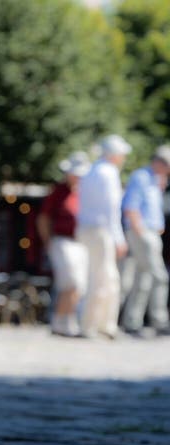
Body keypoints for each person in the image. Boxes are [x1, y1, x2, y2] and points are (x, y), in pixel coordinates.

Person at [76, 134, 130, 339]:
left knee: (99, 278)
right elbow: (112, 210)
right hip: (101, 231)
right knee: (104, 279)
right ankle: (98, 326)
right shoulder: (108, 173)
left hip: (87, 230)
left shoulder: (91, 172)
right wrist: (119, 238)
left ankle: (100, 325)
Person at [37, 152, 90, 336]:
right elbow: (43, 219)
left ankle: (66, 320)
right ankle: (61, 320)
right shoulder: (59, 192)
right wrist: (49, 242)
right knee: (70, 282)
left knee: (79, 285)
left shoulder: (85, 191)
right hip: (62, 241)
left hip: (81, 242)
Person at [120, 145, 170, 336]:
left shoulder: (155, 180)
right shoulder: (141, 177)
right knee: (160, 277)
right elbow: (131, 207)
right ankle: (160, 320)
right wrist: (142, 233)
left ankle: (132, 321)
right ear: (159, 163)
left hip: (150, 233)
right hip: (143, 233)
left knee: (144, 279)